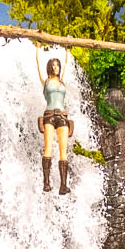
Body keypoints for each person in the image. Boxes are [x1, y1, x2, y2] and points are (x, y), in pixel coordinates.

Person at [36, 45, 74, 195]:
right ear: (49, 68)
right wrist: (38, 48)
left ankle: (63, 185)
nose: (56, 67)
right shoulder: (45, 82)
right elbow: (38, 65)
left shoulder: (62, 81)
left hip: (62, 117)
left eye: (57, 65)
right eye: (53, 66)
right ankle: (46, 183)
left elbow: (68, 65)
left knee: (63, 152)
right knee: (48, 149)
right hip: (49, 116)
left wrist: (68, 51)